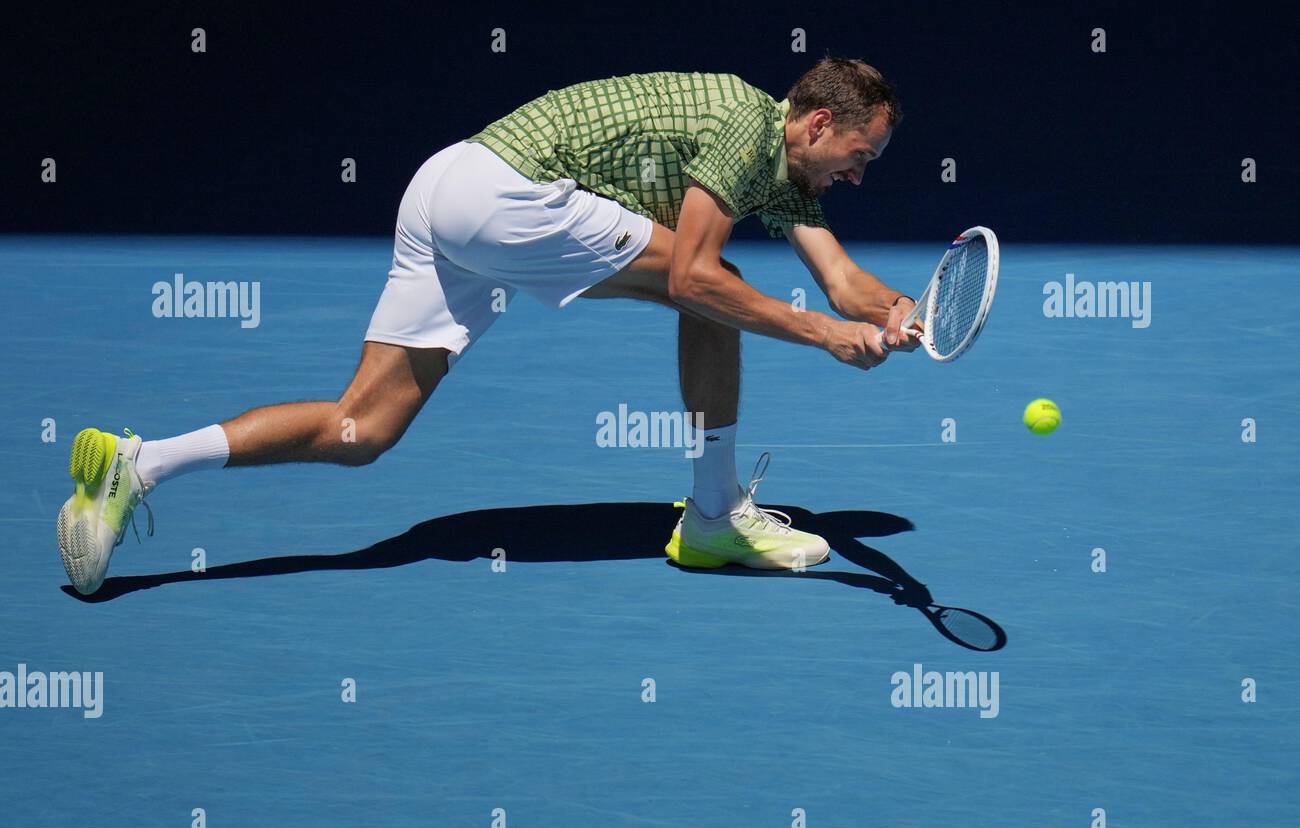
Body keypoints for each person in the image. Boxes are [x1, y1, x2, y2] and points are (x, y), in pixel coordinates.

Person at [57, 55, 920, 596]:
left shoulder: (785, 168)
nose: (859, 175)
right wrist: (821, 337)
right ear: (817, 123)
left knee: (362, 428)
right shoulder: (741, 124)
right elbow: (696, 278)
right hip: (510, 195)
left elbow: (842, 280)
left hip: (446, 190)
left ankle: (140, 463)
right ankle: (712, 516)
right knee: (712, 284)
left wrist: (893, 313)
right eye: (860, 156)